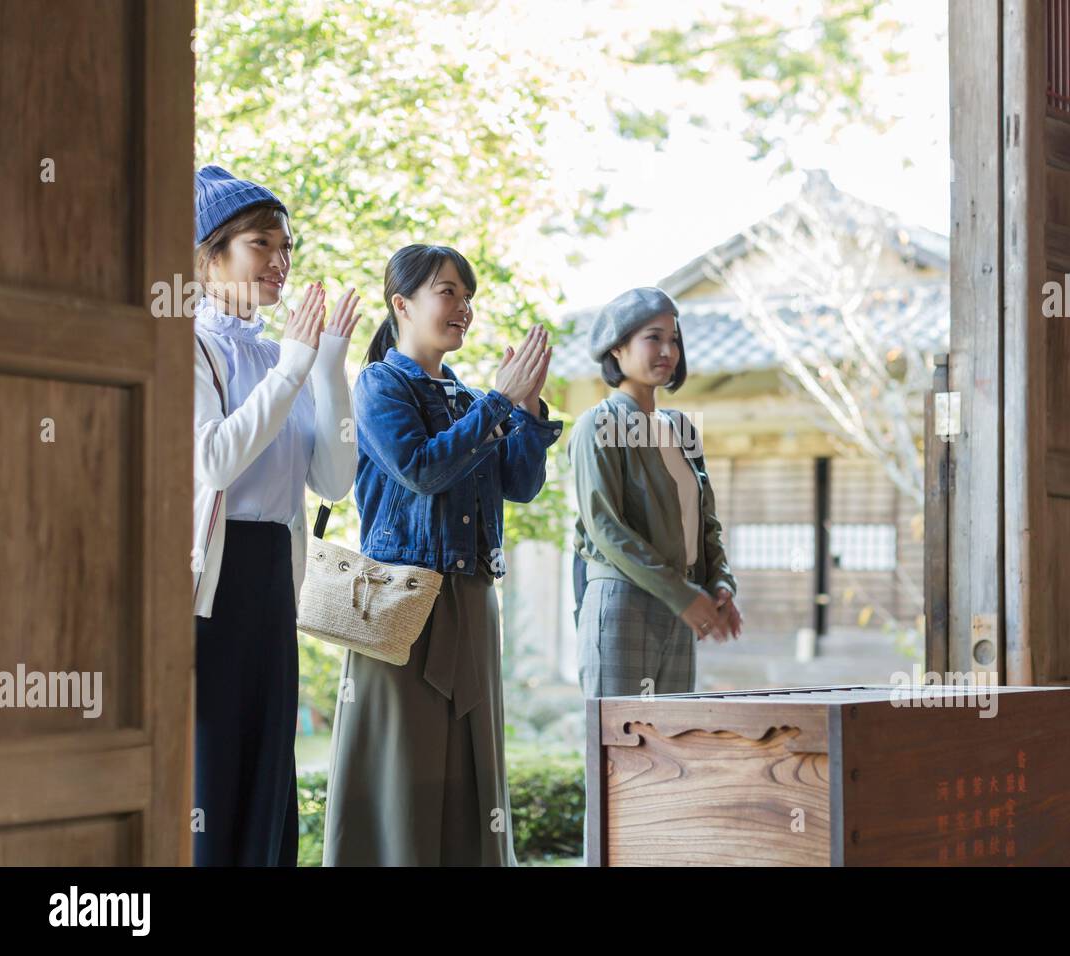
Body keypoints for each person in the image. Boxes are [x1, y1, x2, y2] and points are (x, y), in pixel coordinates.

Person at [324, 244, 561, 865]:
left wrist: (527, 410)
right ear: (402, 304)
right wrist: (500, 404)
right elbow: (422, 469)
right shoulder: (379, 384)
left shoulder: (470, 398)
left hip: (473, 599)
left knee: (469, 765)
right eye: (448, 291)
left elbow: (521, 485)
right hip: (403, 605)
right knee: (402, 764)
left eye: (467, 295)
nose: (464, 307)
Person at [191, 164, 361, 866]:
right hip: (210, 585)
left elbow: (334, 480)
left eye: (286, 246)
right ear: (209, 257)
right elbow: (214, 462)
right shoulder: (188, 345)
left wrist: (328, 366)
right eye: (261, 243)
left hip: (273, 580)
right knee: (213, 768)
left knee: (269, 773)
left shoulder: (278, 353)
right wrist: (294, 367)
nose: (280, 260)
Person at [569, 286, 742, 700]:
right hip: (623, 603)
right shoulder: (597, 424)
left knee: (673, 739)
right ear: (617, 348)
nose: (668, 350)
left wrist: (719, 583)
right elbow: (605, 527)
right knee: (622, 738)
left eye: (674, 339)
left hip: (682, 606)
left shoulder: (681, 428)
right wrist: (683, 596)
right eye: (653, 338)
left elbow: (705, 522)